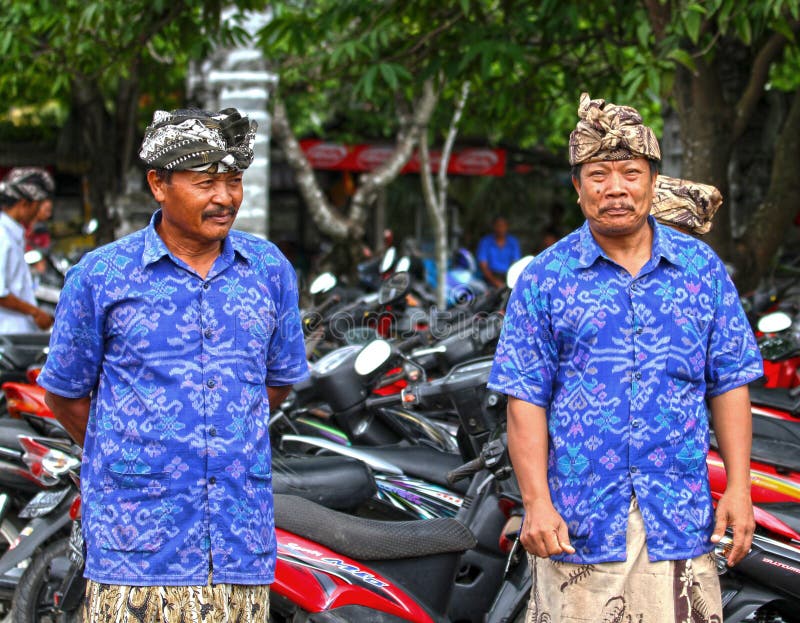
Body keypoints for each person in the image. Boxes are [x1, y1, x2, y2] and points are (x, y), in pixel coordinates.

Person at [488, 93, 763, 622]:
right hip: (580, 525)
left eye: (630, 173)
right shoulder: (545, 279)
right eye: (598, 174)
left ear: (653, 181)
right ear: (577, 186)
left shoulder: (700, 270)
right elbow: (524, 396)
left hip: (680, 520)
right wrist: (537, 502)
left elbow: (729, 382)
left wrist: (741, 489)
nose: (615, 188)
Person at [37, 108, 309, 623]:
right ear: (158, 184)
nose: (225, 198)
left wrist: (220, 438)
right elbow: (65, 395)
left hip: (237, 545)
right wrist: (136, 453)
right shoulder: (101, 277)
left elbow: (275, 383)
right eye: (206, 183)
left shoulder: (269, 270)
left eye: (234, 182)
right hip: (135, 551)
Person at [0, 167, 55, 332]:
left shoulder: (13, 233)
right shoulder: (3, 236)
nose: (38, 211)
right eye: (37, 206)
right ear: (24, 204)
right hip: (8, 334)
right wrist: (36, 313)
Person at [476, 215, 521, 288]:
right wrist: (495, 281)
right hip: (489, 278)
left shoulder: (513, 242)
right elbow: (483, 266)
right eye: (498, 226)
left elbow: (515, 263)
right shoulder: (485, 242)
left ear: (507, 227)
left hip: (507, 277)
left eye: (503, 226)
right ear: (493, 227)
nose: (500, 229)